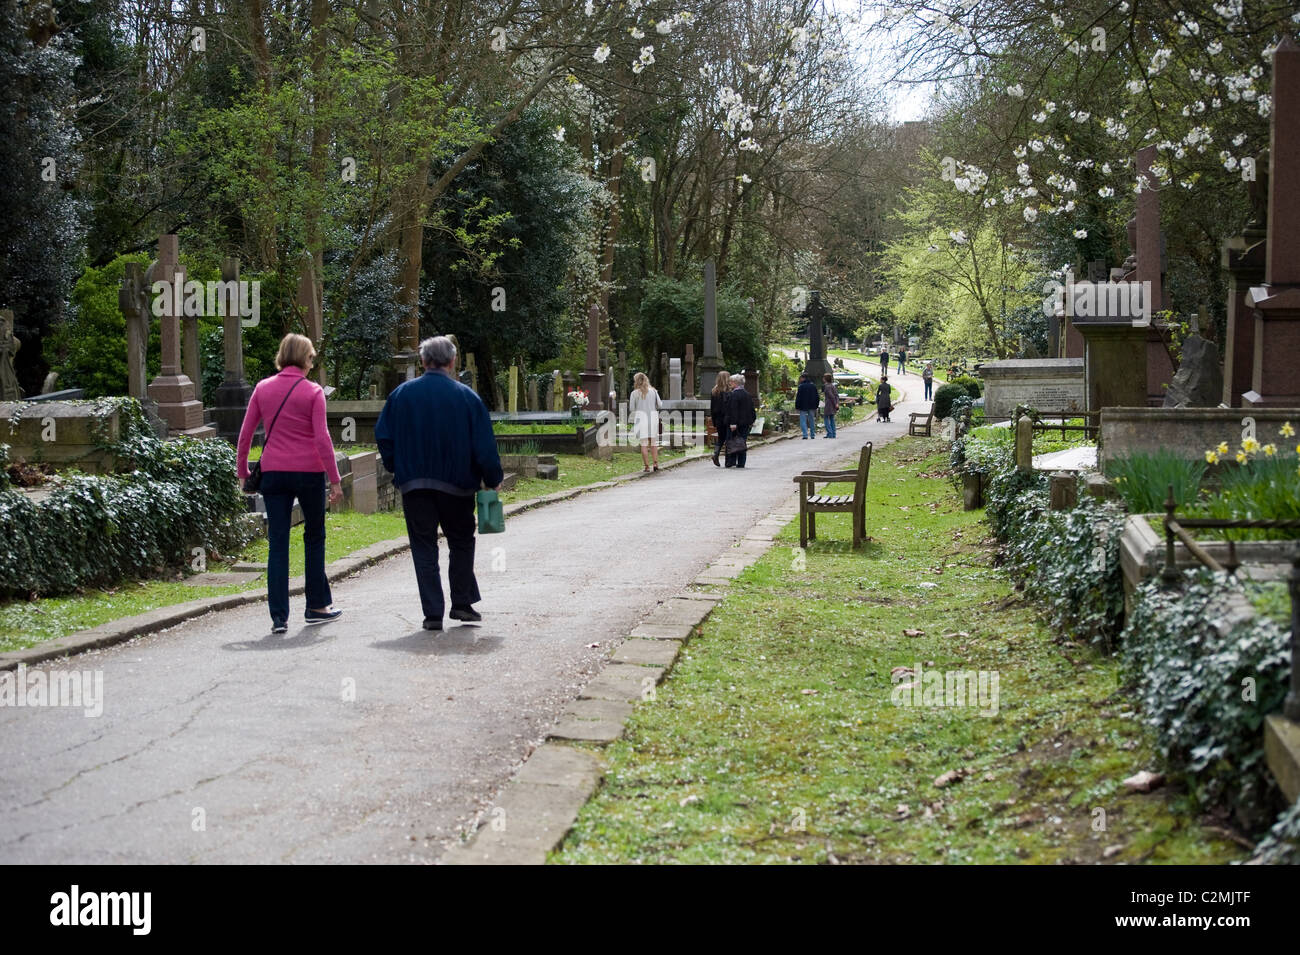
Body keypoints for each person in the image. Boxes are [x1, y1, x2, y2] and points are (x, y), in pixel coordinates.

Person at [375, 336, 503, 632]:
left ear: (423, 361)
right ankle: (461, 603)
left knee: (423, 546)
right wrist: (493, 478)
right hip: (457, 485)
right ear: (452, 361)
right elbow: (484, 444)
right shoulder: (467, 397)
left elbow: (384, 436)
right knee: (461, 541)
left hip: (415, 484)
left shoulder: (401, 395)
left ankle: (432, 613)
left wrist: (398, 466)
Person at [237, 333, 343, 634]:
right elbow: (322, 439)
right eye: (311, 358)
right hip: (308, 472)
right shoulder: (313, 392)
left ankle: (279, 617)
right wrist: (334, 481)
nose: (311, 364)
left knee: (278, 544)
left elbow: (246, 435)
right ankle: (316, 606)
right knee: (314, 537)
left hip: (273, 473)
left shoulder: (263, 388)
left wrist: (243, 472)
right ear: (304, 359)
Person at [629, 372, 663, 472]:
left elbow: (632, 408)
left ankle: (647, 466)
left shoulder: (634, 393)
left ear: (636, 381)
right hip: (652, 419)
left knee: (643, 443)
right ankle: (655, 463)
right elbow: (660, 405)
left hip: (640, 420)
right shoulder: (653, 391)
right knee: (653, 443)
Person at [723, 373, 755, 468]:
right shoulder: (747, 394)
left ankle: (731, 461)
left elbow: (733, 410)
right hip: (745, 423)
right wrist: (752, 421)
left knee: (732, 441)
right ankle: (741, 462)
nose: (730, 383)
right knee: (742, 442)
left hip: (735, 423)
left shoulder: (734, 395)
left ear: (736, 383)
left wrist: (733, 423)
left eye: (731, 382)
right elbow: (752, 409)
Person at [709, 370, 730, 467]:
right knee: (728, 438)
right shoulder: (728, 391)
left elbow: (712, 407)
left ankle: (716, 453)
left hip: (718, 418)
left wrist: (713, 420)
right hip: (727, 418)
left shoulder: (714, 391)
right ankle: (728, 459)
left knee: (721, 437)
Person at [794, 373, 819, 439]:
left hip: (803, 406)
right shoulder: (813, 386)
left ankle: (805, 435)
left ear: (803, 378)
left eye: (801, 378)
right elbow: (817, 397)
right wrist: (816, 405)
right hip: (812, 405)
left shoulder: (801, 386)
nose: (800, 379)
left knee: (803, 420)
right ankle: (812, 434)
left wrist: (797, 406)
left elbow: (798, 397)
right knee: (811, 420)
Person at [822, 373, 839, 438]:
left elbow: (831, 396)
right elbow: (836, 395)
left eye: (823, 378)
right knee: (832, 419)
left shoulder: (827, 387)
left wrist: (835, 403)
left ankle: (830, 433)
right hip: (833, 404)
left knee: (826, 418)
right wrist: (837, 403)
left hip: (829, 404)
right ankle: (833, 433)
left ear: (825, 379)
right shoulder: (833, 386)